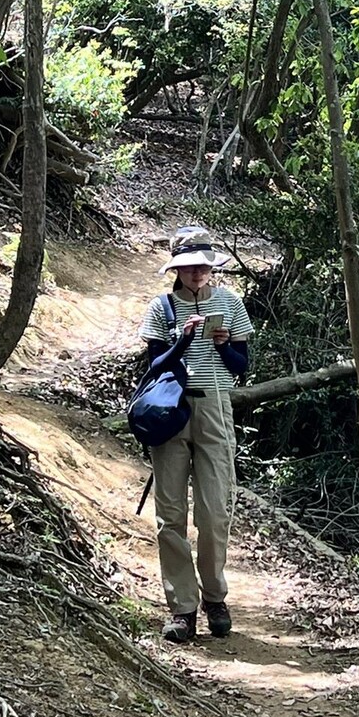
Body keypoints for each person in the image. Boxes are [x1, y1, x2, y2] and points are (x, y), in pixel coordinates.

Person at [139, 226, 253, 643]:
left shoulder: (230, 303)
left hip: (216, 408)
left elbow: (241, 366)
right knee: (171, 515)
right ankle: (182, 608)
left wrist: (223, 344)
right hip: (172, 409)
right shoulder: (161, 308)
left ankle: (215, 598)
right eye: (189, 267)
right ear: (177, 269)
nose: (197, 273)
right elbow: (155, 365)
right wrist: (182, 340)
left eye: (203, 266)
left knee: (214, 511)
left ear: (211, 267)